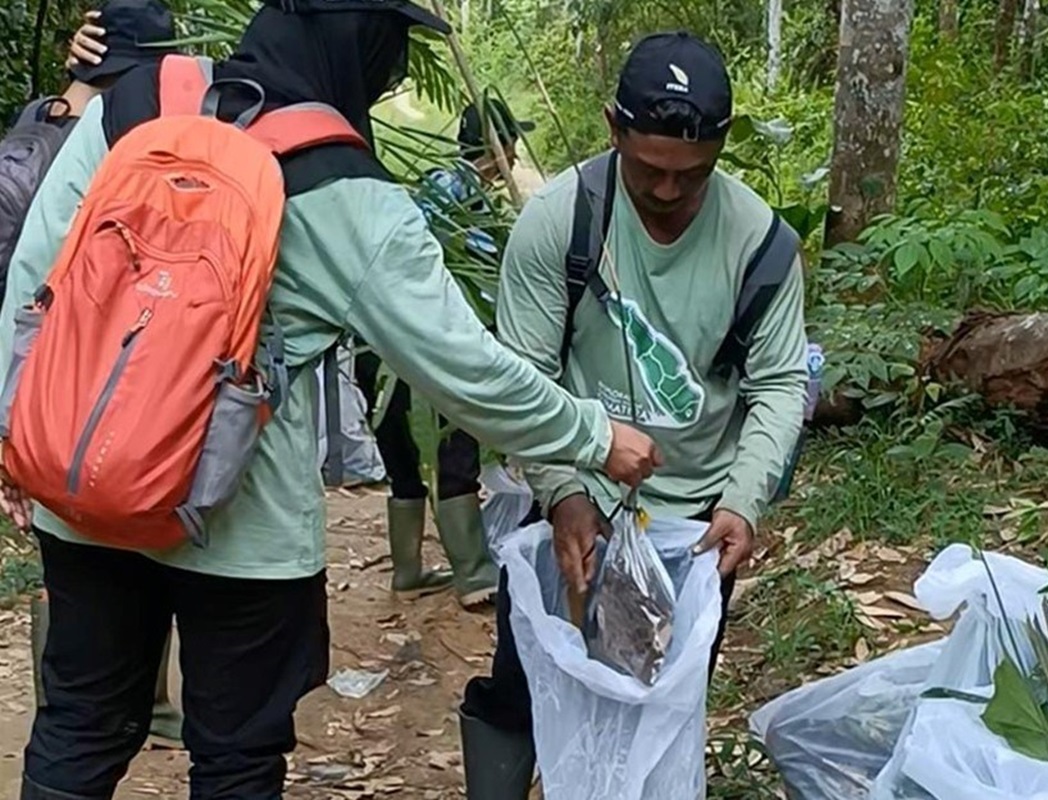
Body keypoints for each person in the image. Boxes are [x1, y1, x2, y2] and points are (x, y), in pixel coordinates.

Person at [0, 5, 659, 799]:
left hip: (87, 487)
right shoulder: (341, 182)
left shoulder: (131, 105)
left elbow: (34, 285)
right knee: (236, 760)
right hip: (240, 535)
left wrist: (16, 438)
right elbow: (464, 368)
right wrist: (593, 436)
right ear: (358, 48)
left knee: (78, 726)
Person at [459, 31, 808, 797]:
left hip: (693, 527)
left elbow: (781, 383)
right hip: (575, 494)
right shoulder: (561, 222)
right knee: (523, 686)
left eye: (693, 174)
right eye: (649, 169)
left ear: (722, 146)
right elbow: (525, 378)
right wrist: (564, 494)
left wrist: (743, 502)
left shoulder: (761, 244)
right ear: (613, 128)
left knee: (657, 704)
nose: (668, 191)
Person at [4, 0, 186, 746]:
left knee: (63, 543)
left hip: (31, 365)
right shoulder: (121, 141)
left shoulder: (32, 128)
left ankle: (74, 702)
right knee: (124, 524)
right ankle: (140, 703)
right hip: (93, 366)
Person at [353, 96, 535, 609]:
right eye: (511, 146)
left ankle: (408, 571)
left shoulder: (430, 190)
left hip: (378, 343)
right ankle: (475, 576)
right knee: (453, 453)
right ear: (499, 148)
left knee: (403, 462)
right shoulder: (461, 199)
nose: (515, 158)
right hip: (422, 348)